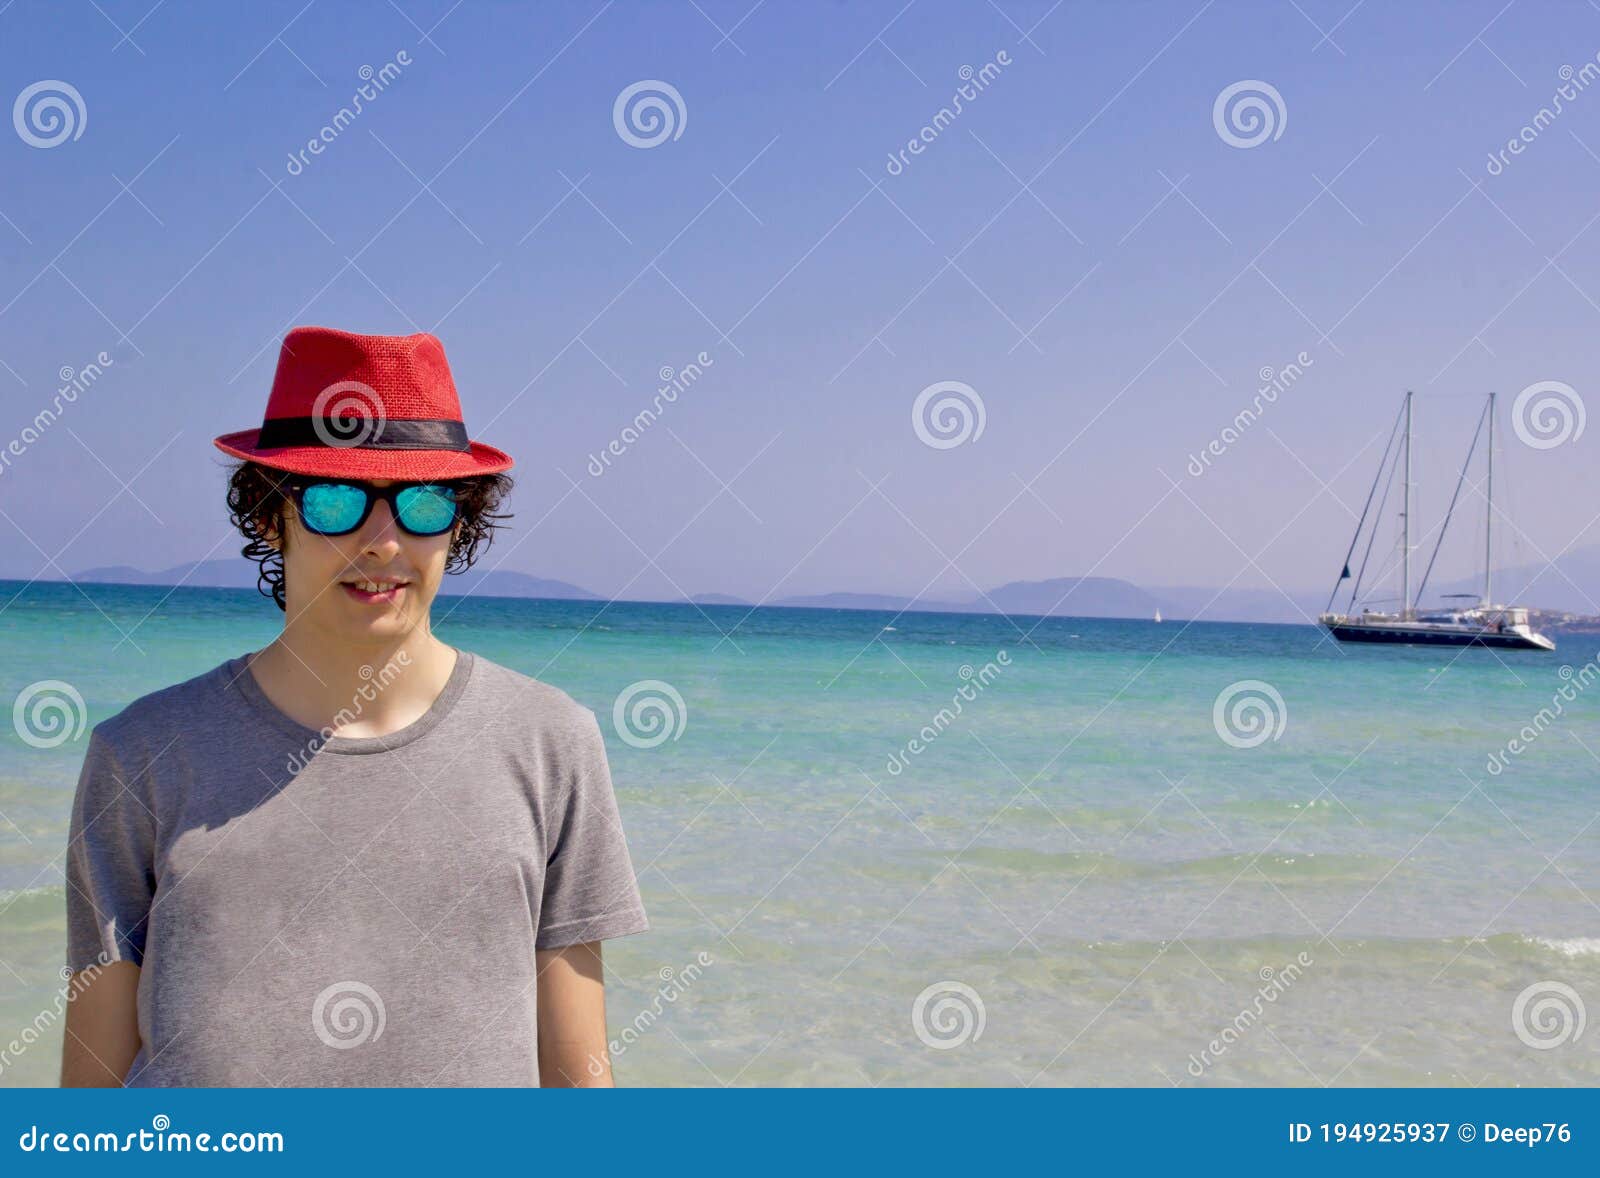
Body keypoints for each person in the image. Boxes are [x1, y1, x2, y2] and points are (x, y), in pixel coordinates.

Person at [60, 326, 648, 1087]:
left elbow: (580, 1080)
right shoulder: (141, 753)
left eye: (423, 504)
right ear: (271, 516)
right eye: (336, 501)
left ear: (460, 522)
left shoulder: (551, 743)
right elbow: (89, 1099)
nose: (382, 542)